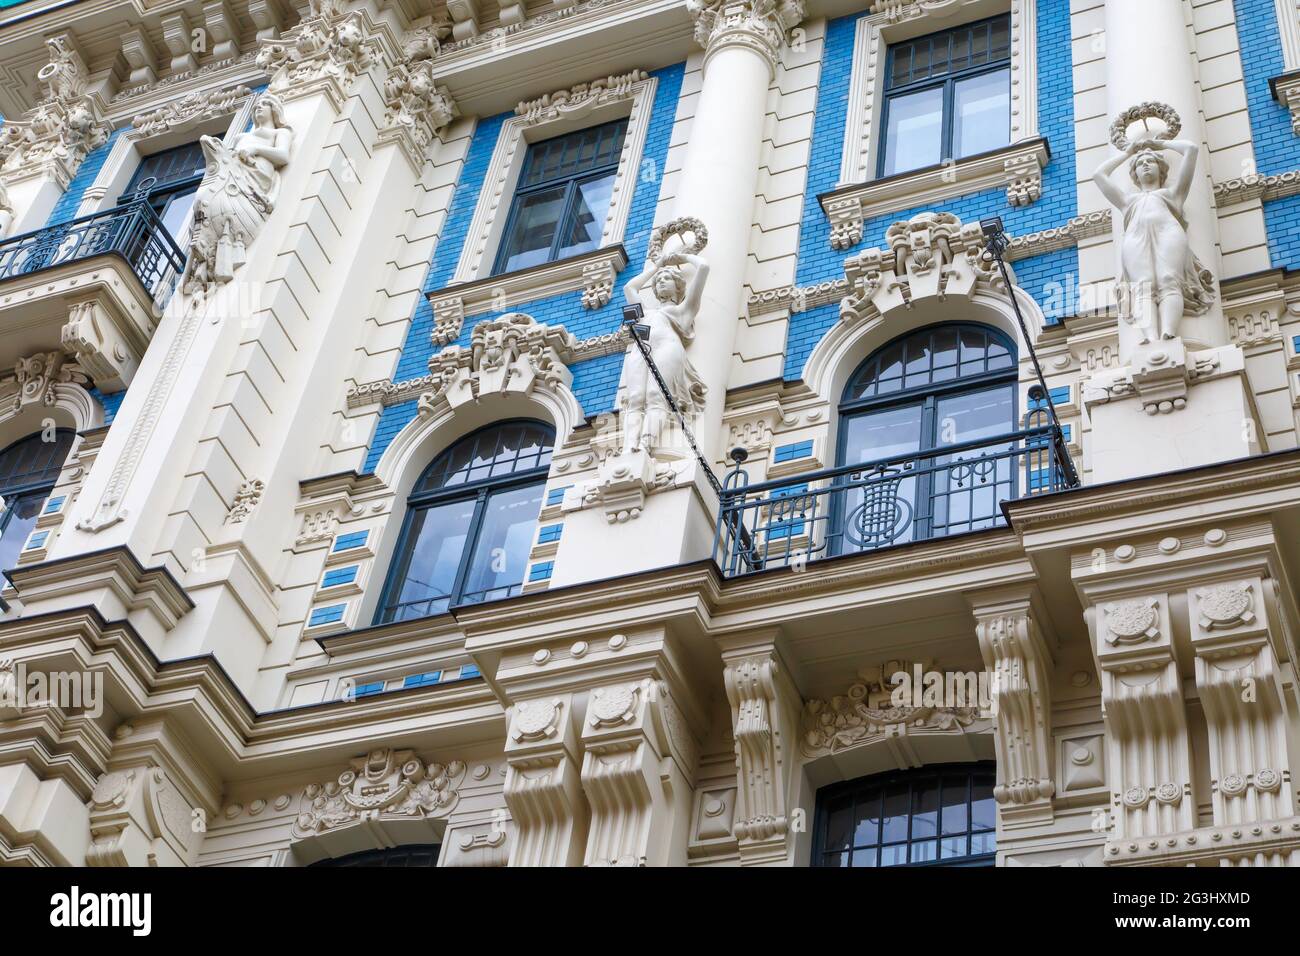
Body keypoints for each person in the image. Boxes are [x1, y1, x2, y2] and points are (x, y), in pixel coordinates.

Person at [1092, 136, 1214, 343]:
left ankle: (1169, 332)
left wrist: (1161, 144)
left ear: (1161, 169)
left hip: (1169, 234)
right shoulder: (1127, 201)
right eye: (1140, 164)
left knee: (1169, 280)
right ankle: (1150, 337)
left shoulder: (1173, 194)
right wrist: (1128, 152)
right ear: (1135, 175)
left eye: (1150, 161)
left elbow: (1191, 149)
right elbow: (1099, 175)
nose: (1145, 164)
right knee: (1142, 286)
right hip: (1135, 238)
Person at [618, 247, 710, 455]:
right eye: (658, 281)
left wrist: (681, 257)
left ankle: (645, 445)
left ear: (678, 287)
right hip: (642, 350)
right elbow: (629, 288)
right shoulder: (644, 312)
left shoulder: (683, 311)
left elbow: (703, 267)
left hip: (667, 348)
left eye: (666, 278)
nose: (661, 281)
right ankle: (628, 447)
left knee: (655, 394)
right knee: (635, 398)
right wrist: (657, 267)